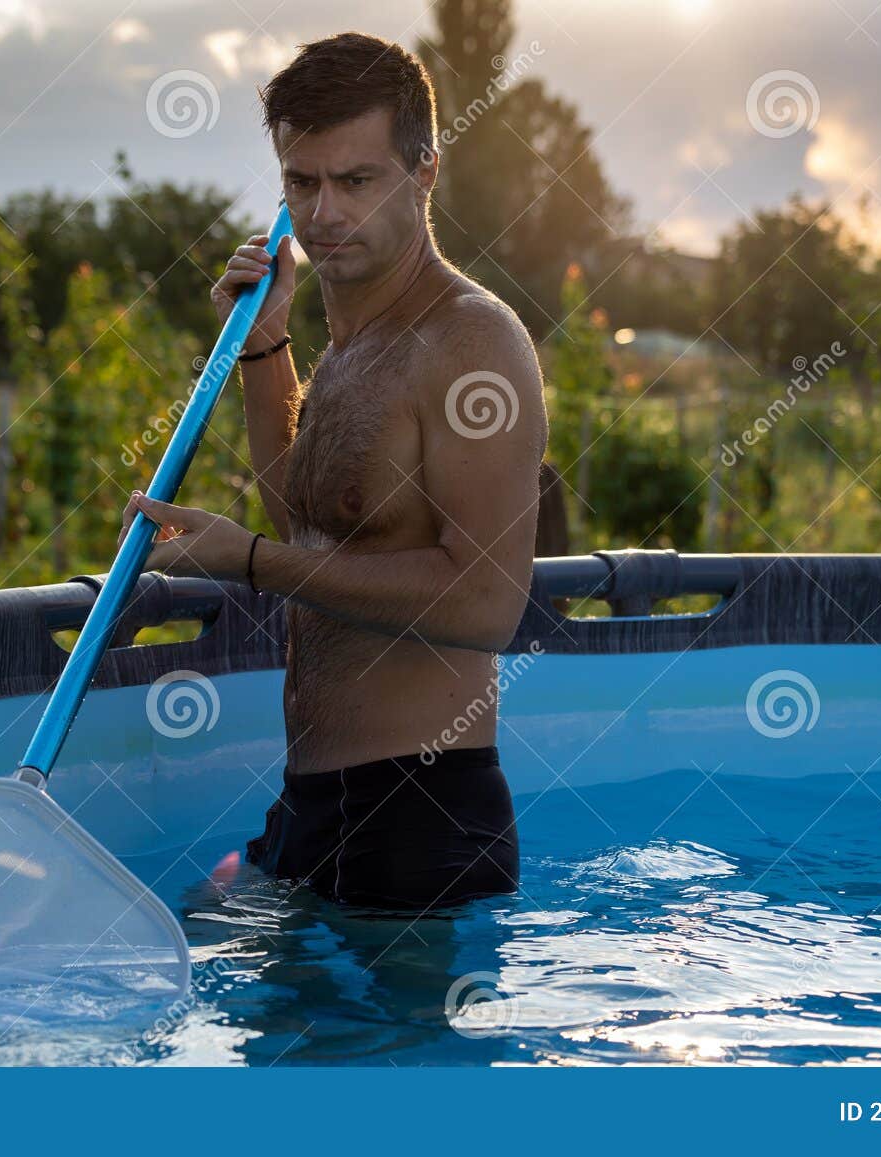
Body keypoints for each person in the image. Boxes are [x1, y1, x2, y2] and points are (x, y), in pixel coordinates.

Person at [123, 31, 547, 911]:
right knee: (193, 956)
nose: (324, 215)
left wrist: (247, 563)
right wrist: (266, 342)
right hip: (315, 806)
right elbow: (307, 529)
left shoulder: (470, 342)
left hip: (422, 814)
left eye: (356, 181)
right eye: (301, 182)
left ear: (424, 172)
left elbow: (488, 604)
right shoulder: (351, 350)